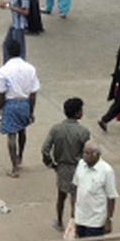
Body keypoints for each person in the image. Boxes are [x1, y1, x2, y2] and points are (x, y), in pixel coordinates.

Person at [41, 97, 91, 230]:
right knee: (76, 199)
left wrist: (51, 164)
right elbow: (88, 153)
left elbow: (45, 149)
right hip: (78, 168)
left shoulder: (56, 129)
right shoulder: (84, 132)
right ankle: (75, 226)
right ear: (77, 113)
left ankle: (59, 221)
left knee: (61, 197)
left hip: (62, 167)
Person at [73, 141, 117, 241]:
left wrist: (108, 219)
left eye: (88, 153)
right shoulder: (81, 165)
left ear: (97, 155)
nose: (84, 155)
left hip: (96, 219)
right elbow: (75, 187)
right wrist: (73, 212)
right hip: (80, 215)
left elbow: (111, 197)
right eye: (84, 152)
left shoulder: (106, 171)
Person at [0, 40, 40, 178]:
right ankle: (20, 156)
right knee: (22, 130)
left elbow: (1, 93)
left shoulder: (4, 71)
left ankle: (14, 167)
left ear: (7, 52)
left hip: (10, 104)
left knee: (11, 135)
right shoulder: (30, 69)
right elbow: (33, 93)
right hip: (25, 103)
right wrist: (31, 111)